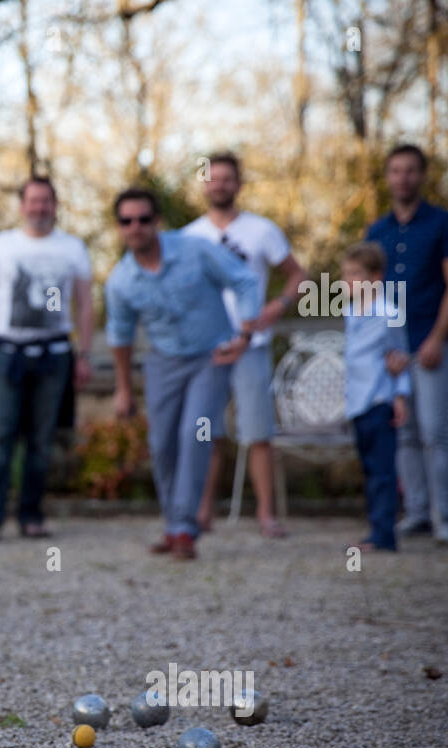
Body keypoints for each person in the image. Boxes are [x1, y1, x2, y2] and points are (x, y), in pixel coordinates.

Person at [105, 187, 265, 560]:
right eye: (127, 221)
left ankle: (184, 530)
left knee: (195, 432)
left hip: (211, 358)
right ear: (119, 227)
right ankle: (173, 523)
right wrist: (124, 388)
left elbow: (244, 279)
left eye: (144, 219)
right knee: (162, 444)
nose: (136, 227)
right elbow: (120, 336)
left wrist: (244, 333)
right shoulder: (120, 281)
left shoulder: (194, 249)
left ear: (156, 221)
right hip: (163, 363)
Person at [0, 176, 94, 542]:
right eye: (33, 201)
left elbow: (84, 304)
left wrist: (84, 354)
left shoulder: (72, 248)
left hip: (54, 354)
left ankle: (31, 516)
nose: (39, 208)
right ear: (22, 206)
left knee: (42, 441)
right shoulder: (2, 246)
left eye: (46, 201)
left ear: (55, 205)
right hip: (5, 354)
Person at [183, 153, 307, 537]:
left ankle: (266, 515)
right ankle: (202, 514)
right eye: (212, 178)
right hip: (208, 350)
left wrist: (277, 306)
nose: (219, 185)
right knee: (207, 432)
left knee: (258, 432)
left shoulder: (262, 231)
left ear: (239, 184)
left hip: (252, 344)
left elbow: (299, 277)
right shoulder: (189, 237)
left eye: (226, 178)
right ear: (204, 185)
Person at [366, 144, 448, 545]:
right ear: (388, 176)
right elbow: (369, 295)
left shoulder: (446, 225)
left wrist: (436, 338)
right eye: (395, 170)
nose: (403, 177)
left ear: (422, 175)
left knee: (435, 431)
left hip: (430, 343)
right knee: (403, 433)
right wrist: (383, 348)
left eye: (410, 170)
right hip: (393, 348)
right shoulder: (377, 232)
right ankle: (416, 513)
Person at [341, 243, 411, 551]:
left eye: (356, 274)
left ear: (376, 277)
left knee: (383, 471)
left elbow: (401, 356)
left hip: (380, 400)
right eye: (346, 275)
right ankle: (376, 528)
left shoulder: (391, 313)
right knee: (369, 470)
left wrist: (400, 396)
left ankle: (385, 535)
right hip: (357, 402)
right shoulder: (350, 311)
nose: (349, 281)